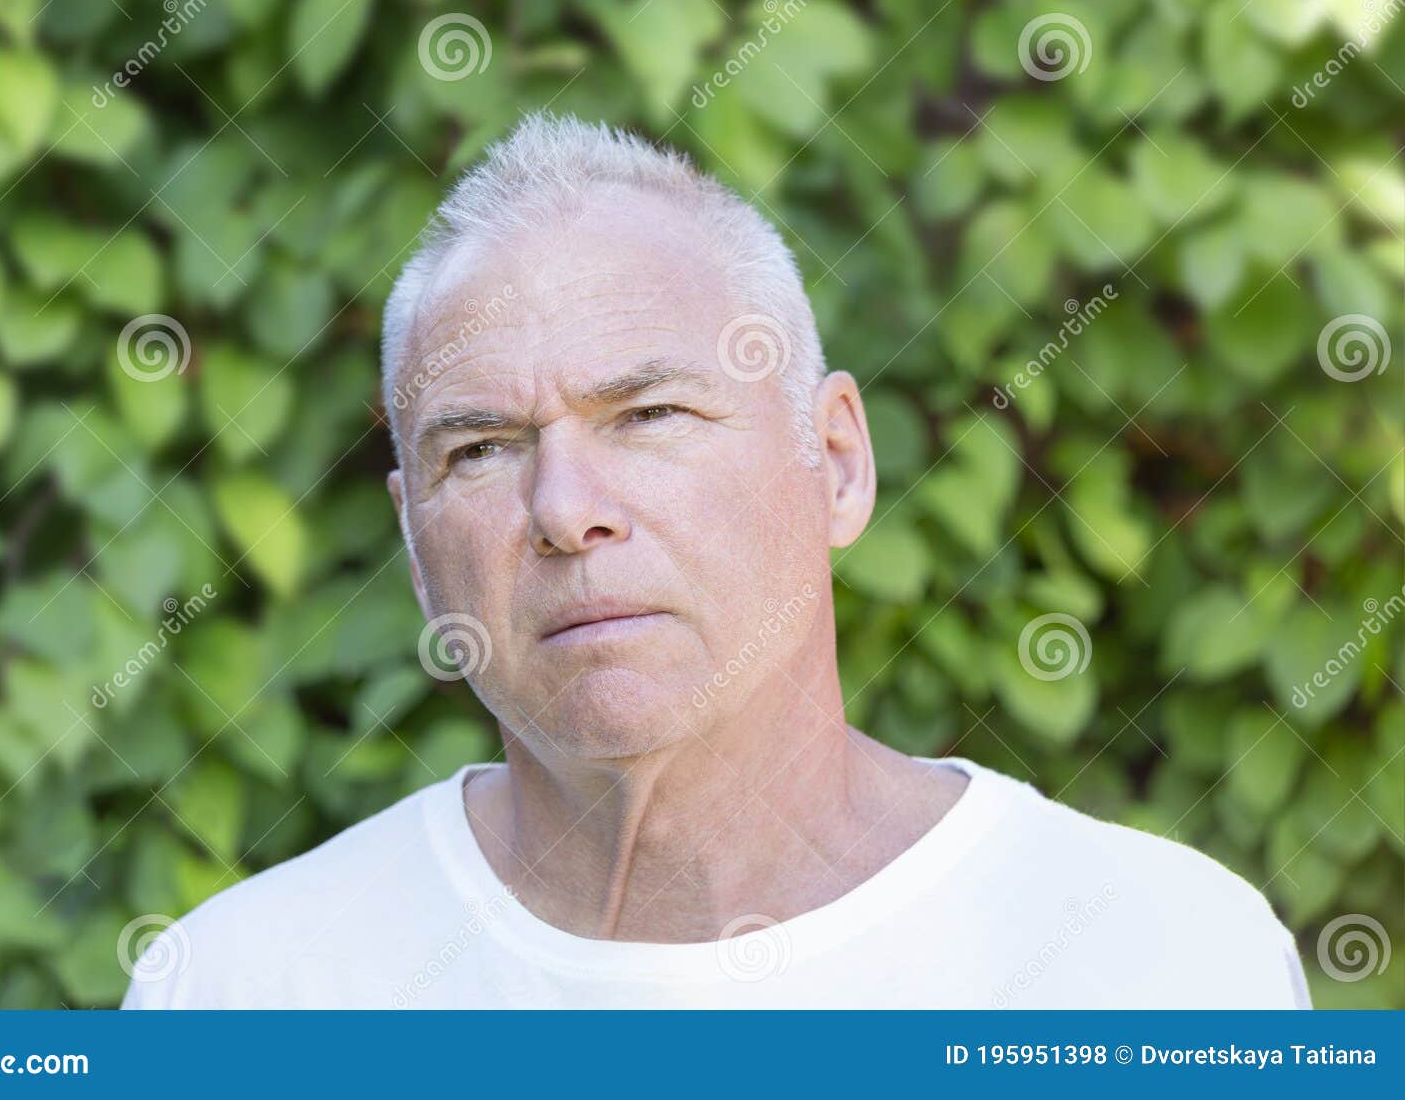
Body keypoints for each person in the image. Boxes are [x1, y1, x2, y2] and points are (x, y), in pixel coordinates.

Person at [122, 114, 1309, 1009]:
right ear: (416, 549)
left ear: (836, 460)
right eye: (481, 448)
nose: (565, 510)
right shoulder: (240, 991)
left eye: (648, 416)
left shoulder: (1156, 961)